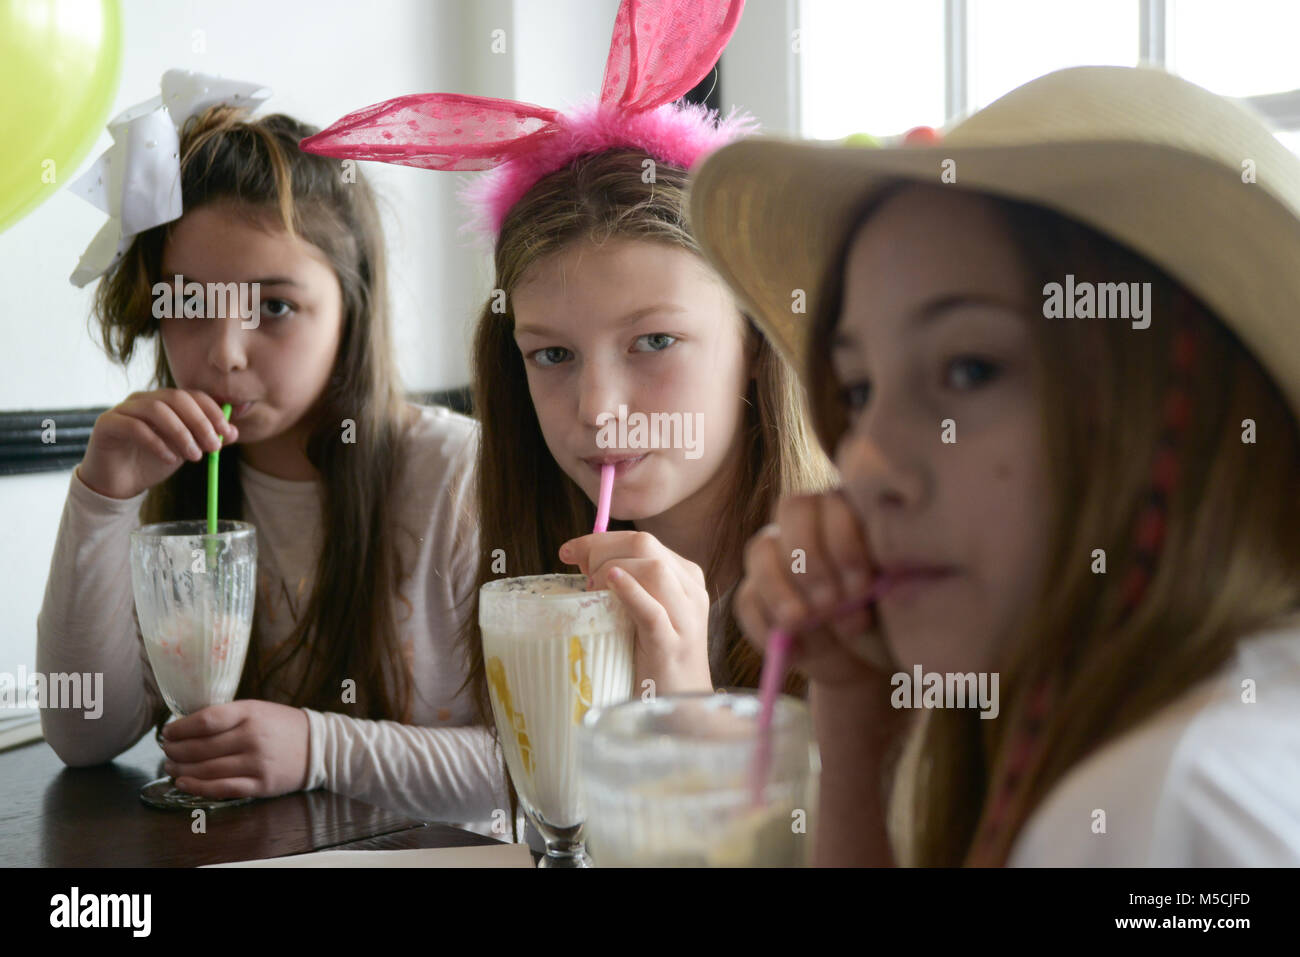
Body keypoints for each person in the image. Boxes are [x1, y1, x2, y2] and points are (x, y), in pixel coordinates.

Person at [693, 65, 1300, 865]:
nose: (865, 465)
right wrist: (852, 703)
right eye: (858, 388)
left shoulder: (1159, 807)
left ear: (1181, 408)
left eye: (969, 370)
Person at [302, 0, 835, 838]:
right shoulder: (547, 585)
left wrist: (686, 712)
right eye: (552, 355)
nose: (595, 410)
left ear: (758, 343)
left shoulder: (860, 599)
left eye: (654, 340)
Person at [37, 71, 506, 833]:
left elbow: (530, 766)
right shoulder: (173, 480)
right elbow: (81, 733)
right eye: (189, 302)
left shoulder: (455, 474)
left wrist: (320, 745)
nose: (223, 352)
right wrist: (102, 495)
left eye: (275, 306)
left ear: (350, 305)